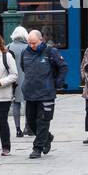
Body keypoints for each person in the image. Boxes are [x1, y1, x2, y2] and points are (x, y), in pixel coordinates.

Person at [19, 29, 66, 159]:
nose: (31, 45)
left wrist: (57, 83)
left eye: (34, 42)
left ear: (41, 40)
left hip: (46, 93)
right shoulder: (25, 52)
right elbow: (24, 67)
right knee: (31, 122)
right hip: (30, 92)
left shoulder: (51, 52)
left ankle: (37, 148)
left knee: (43, 121)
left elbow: (63, 67)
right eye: (29, 42)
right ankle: (47, 137)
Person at [7, 26, 30, 138]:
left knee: (16, 104)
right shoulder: (28, 47)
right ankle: (27, 126)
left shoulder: (8, 47)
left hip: (14, 81)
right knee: (28, 104)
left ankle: (17, 129)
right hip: (27, 79)